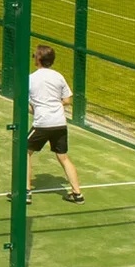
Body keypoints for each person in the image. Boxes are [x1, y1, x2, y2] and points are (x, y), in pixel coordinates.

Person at [26, 44, 84, 205]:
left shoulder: (31, 79)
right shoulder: (58, 76)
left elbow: (27, 105)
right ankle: (77, 194)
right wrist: (52, 105)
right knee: (63, 158)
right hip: (60, 123)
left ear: (38, 59)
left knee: (24, 153)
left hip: (42, 124)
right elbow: (67, 100)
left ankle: (26, 191)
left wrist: (38, 109)